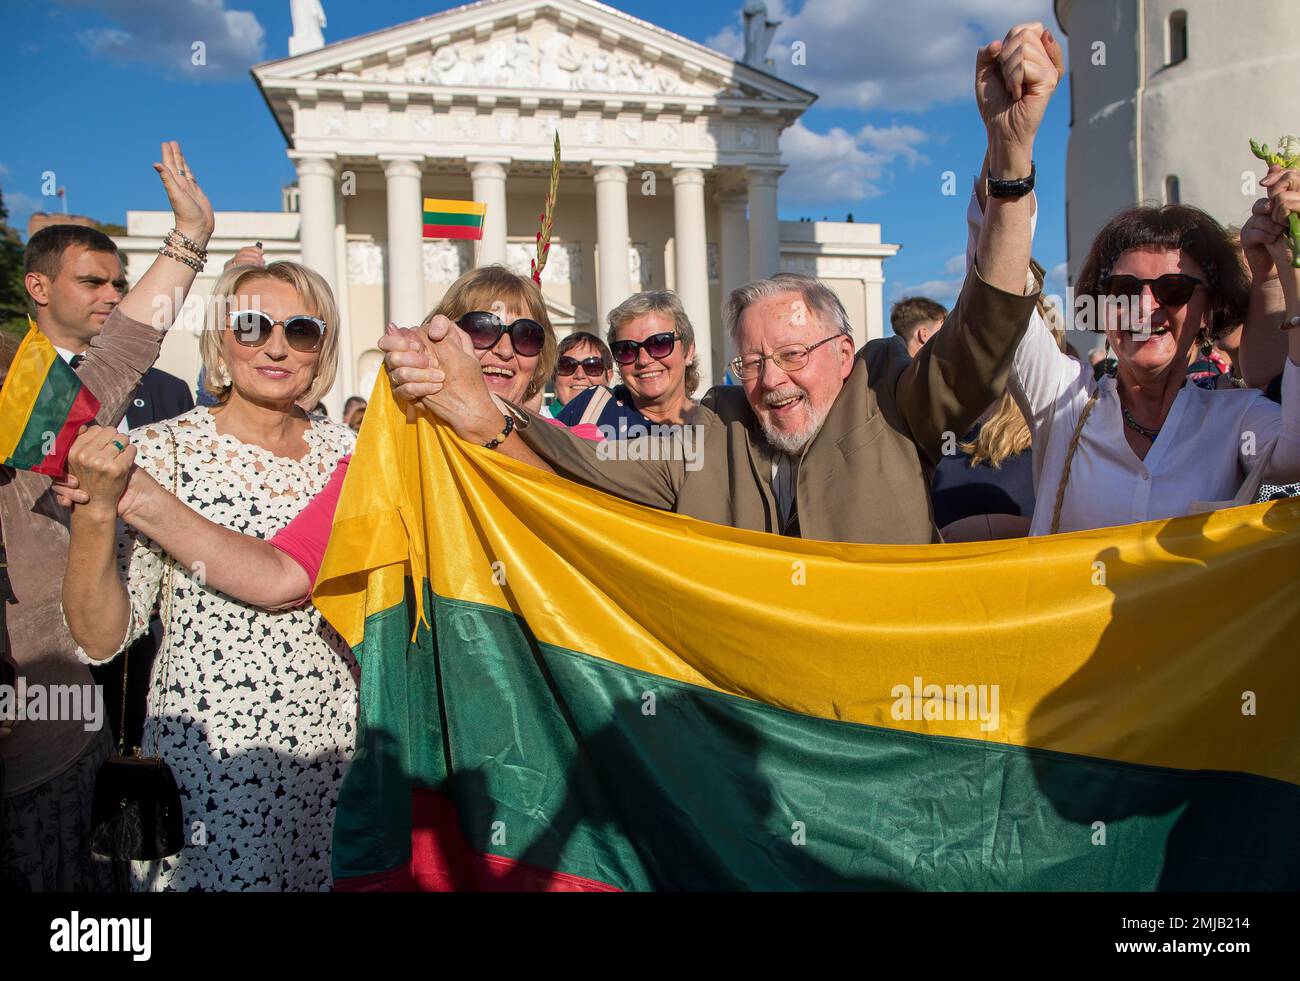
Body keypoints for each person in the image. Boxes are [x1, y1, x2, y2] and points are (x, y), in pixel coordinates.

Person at [380, 22, 1059, 546]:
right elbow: (575, 476)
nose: (772, 380)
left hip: (884, 708)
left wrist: (1009, 160)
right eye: (754, 362)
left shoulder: (889, 394)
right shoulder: (713, 431)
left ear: (845, 352)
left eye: (793, 354)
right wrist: (482, 412)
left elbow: (980, 342)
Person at [53, 265, 593, 614]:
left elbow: (585, 539)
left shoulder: (581, 445)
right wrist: (133, 496)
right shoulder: (387, 454)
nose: (502, 349)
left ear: (542, 357)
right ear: (438, 340)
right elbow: (283, 577)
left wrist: (490, 427)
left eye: (525, 335)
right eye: (481, 329)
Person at [62, 258, 357, 891]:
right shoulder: (159, 450)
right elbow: (101, 638)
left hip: (335, 757)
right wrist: (96, 515)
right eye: (251, 326)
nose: (276, 347)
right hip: (209, 763)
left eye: (300, 330)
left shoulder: (353, 454)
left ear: (322, 347)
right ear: (220, 338)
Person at [0, 141, 212, 892]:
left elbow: (119, 356)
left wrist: (189, 240)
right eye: (92, 281)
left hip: (46, 740)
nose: (106, 293)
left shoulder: (10, 378)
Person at [967, 157, 1300, 535]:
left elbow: (1296, 455)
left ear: (1208, 312)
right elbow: (1000, 298)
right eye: (1123, 290)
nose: (1143, 307)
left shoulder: (1237, 417)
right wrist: (1011, 144)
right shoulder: (1062, 399)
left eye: (1173, 290)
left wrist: (1288, 269)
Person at [555, 291, 694, 433]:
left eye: (659, 344)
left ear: (689, 351)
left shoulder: (713, 425)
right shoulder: (590, 407)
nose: (643, 360)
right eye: (627, 349)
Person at [544, 331, 612, 418]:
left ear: (609, 376)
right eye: (567, 365)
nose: (580, 375)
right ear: (554, 375)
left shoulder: (624, 425)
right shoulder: (532, 423)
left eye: (592, 366)